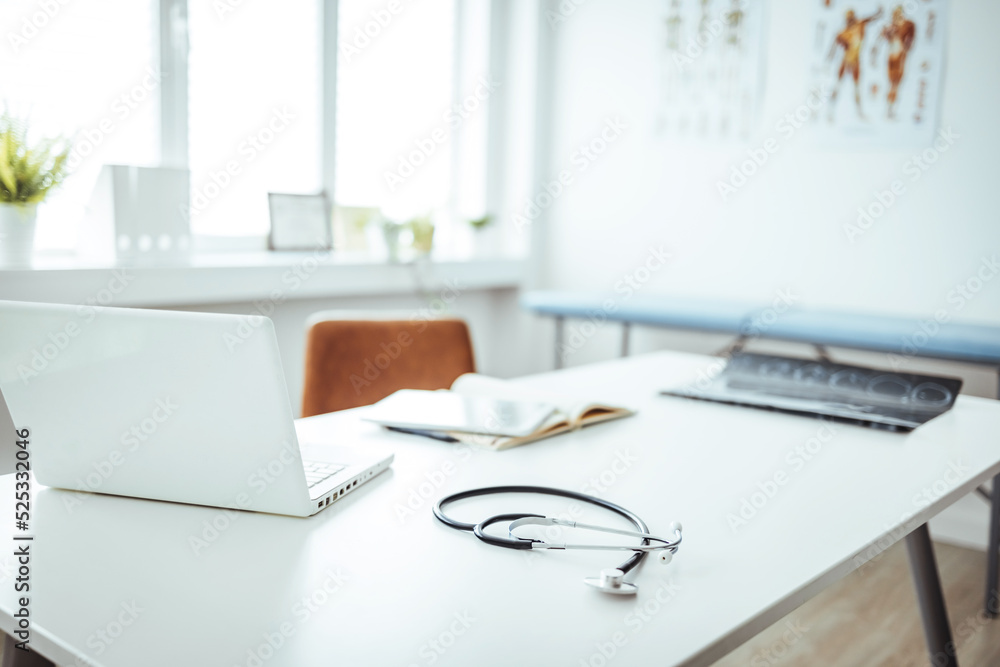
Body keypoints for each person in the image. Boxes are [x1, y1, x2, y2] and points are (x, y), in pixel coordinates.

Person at [827, 7, 883, 121]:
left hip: (856, 61)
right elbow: (834, 45)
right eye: (848, 19)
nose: (850, 21)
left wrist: (879, 13)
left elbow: (870, 19)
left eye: (851, 18)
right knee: (838, 85)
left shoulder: (860, 25)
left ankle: (859, 112)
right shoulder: (843, 32)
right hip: (846, 61)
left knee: (856, 87)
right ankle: (830, 111)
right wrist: (829, 58)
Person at [872, 5, 917, 119]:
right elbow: (881, 39)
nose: (895, 16)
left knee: (895, 84)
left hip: (899, 56)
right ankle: (888, 108)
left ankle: (890, 108)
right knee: (891, 83)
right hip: (892, 56)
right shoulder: (891, 27)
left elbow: (909, 42)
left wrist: (905, 46)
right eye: (894, 14)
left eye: (897, 14)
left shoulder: (908, 25)